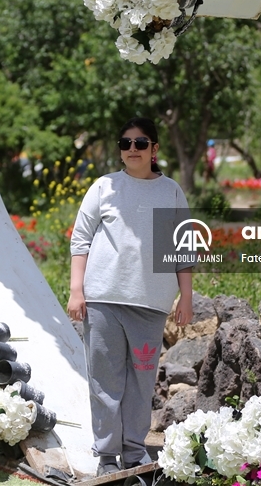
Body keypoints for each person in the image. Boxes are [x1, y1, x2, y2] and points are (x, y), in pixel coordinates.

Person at [68, 117, 193, 476]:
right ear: (120, 150)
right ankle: (107, 457)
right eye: (126, 144)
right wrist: (77, 290)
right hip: (103, 299)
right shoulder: (104, 187)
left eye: (141, 143)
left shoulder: (170, 191)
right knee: (105, 382)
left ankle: (135, 453)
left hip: (150, 305)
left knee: (141, 381)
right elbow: (81, 240)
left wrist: (186, 297)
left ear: (155, 149)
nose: (133, 150)